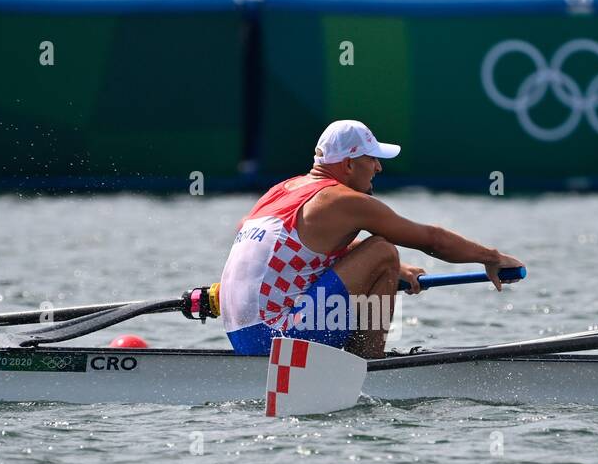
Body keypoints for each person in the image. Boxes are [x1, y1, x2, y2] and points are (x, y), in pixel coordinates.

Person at [221, 120, 524, 358]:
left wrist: (395, 271)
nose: (378, 167)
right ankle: (368, 364)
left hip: (241, 337)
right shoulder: (342, 200)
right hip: (278, 341)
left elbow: (302, 248)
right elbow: (432, 240)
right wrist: (492, 257)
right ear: (349, 164)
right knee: (383, 251)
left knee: (384, 260)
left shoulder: (281, 191)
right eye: (372, 158)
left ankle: (351, 360)